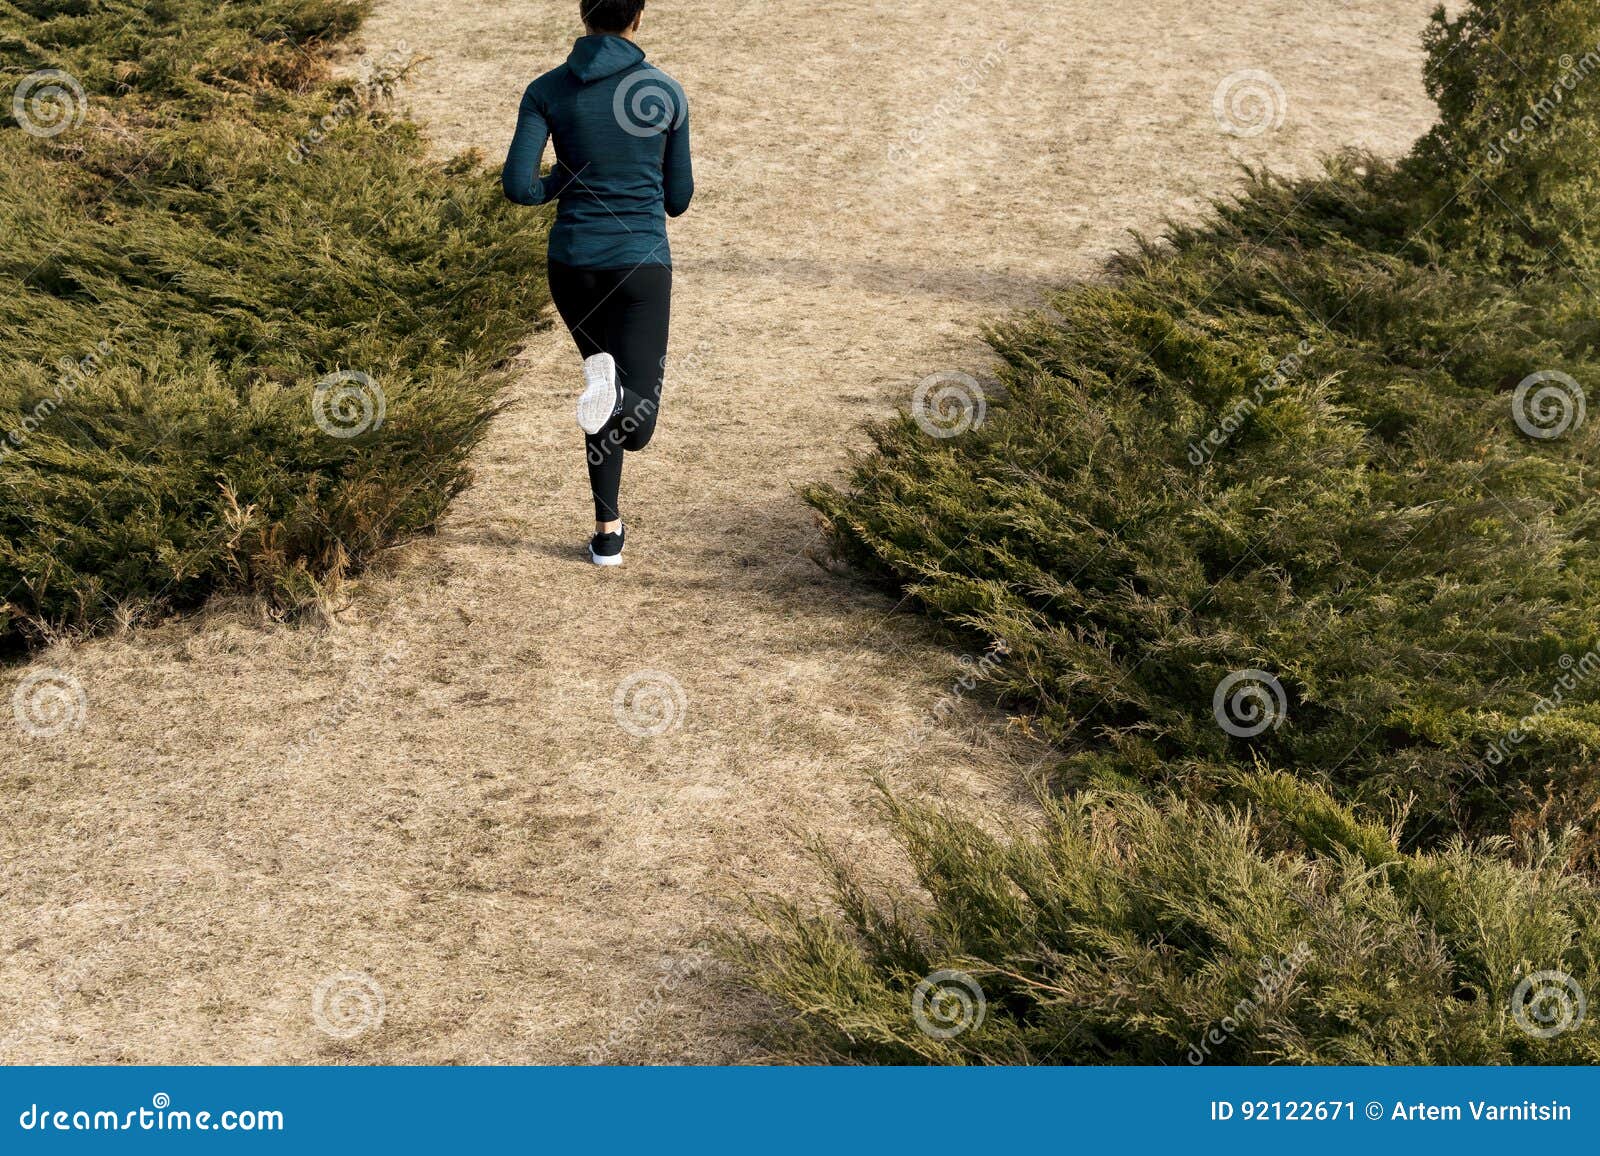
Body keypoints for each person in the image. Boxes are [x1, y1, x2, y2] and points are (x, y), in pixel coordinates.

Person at [502, 0, 693, 567]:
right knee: (634, 418)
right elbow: (678, 200)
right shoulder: (663, 91)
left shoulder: (545, 90)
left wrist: (562, 179)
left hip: (572, 267)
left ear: (583, 15)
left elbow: (519, 186)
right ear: (640, 16)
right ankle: (607, 519)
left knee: (602, 386)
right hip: (639, 265)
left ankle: (607, 532)